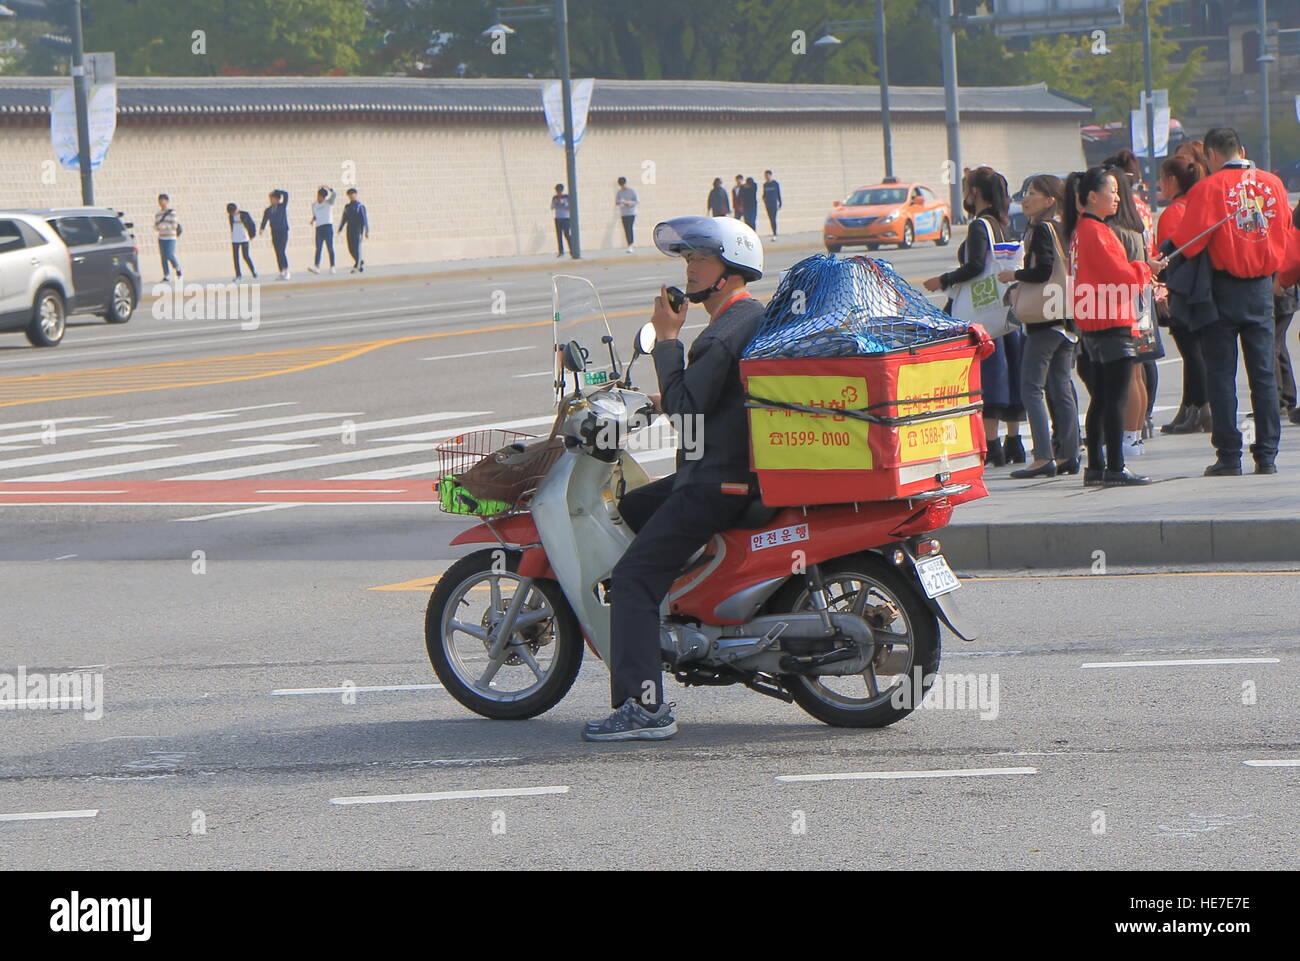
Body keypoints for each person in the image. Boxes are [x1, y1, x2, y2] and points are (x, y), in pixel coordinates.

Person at [583, 215, 767, 742]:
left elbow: (689, 413)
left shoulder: (721, 334)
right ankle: (675, 622)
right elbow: (709, 403)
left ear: (729, 271)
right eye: (686, 260)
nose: (688, 270)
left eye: (698, 260)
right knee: (634, 509)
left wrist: (667, 339)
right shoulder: (745, 319)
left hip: (716, 480)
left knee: (633, 579)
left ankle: (644, 709)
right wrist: (661, 399)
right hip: (730, 468)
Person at [1170, 127, 1289, 476]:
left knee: (1222, 374)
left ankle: (1229, 454)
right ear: (1241, 148)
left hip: (1222, 290)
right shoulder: (1273, 184)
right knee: (1264, 375)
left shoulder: (1209, 188)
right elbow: (1282, 231)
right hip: (1261, 289)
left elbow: (1190, 242)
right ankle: (1267, 454)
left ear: (1209, 155)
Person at [1065, 167, 1165, 486]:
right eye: (1112, 191)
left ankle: (1096, 466)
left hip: (1092, 321)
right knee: (1114, 398)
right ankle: (1115, 466)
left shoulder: (1082, 230)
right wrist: (1144, 268)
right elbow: (1119, 275)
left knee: (1102, 398)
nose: (1117, 197)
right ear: (1093, 196)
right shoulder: (1097, 231)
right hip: (1111, 320)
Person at [922, 166, 1027, 466]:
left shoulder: (980, 226)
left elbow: (976, 267)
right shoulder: (1004, 224)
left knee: (992, 376)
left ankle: (991, 445)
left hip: (984, 315)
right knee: (1011, 374)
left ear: (976, 193)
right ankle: (1014, 441)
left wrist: (942, 280)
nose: (965, 193)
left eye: (967, 187)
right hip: (1004, 311)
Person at [998, 174, 1079, 477]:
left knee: (1031, 387)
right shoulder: (1064, 229)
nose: (1025, 199)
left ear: (1050, 200)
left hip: (1045, 319)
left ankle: (1043, 456)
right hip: (1067, 316)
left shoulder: (1043, 230)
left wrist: (1015, 276)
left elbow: (1044, 270)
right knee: (1060, 386)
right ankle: (1068, 454)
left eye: (1032, 193)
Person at [1155, 155, 1211, 434]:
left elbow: (1169, 257)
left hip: (1182, 290)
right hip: (1201, 289)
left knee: (1192, 352)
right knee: (1197, 351)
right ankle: (1194, 407)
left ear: (1173, 180)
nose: (1158, 184)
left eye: (1162, 178)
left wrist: (1162, 289)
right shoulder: (1197, 205)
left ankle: (1198, 407)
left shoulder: (1173, 212)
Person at [1105, 166, 1156, 459]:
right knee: (1137, 373)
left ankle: (1128, 435)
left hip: (1125, 303)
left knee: (1129, 374)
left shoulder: (1114, 231)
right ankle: (1135, 435)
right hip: (1142, 300)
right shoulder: (1136, 226)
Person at [260, 189, 291, 280]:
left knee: (281, 251)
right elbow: (265, 219)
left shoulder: (282, 206)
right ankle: (281, 271)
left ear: (277, 199)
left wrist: (276, 191)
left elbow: (286, 194)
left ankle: (286, 270)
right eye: (270, 198)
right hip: (274, 232)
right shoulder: (268, 210)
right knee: (277, 252)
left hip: (283, 231)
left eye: (272, 198)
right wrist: (262, 228)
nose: (271, 200)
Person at [338, 188, 369, 273]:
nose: (351, 195)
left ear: (356, 194)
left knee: (357, 248)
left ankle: (357, 266)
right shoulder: (347, 207)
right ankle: (359, 262)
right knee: (351, 248)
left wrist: (366, 230)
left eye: (353, 194)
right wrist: (340, 228)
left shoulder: (360, 206)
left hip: (358, 229)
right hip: (350, 229)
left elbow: (364, 218)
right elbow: (344, 218)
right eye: (350, 194)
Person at [308, 186, 337, 274]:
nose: (319, 198)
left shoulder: (328, 202)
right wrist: (313, 220)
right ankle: (316, 266)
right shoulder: (314, 205)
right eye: (319, 196)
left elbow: (335, 194)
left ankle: (332, 266)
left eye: (321, 196)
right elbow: (316, 215)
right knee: (318, 247)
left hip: (327, 226)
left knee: (330, 247)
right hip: (319, 227)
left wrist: (328, 188)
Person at [154, 194, 182, 282]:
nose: (161, 202)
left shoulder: (172, 213)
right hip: (162, 237)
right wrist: (157, 228)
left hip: (170, 237)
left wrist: (165, 227)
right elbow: (155, 225)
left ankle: (177, 268)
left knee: (169, 254)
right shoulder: (158, 214)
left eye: (163, 200)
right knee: (163, 257)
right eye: (160, 200)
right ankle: (166, 274)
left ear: (167, 201)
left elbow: (174, 225)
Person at [226, 202, 257, 282]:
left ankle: (253, 271)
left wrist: (252, 235)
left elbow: (251, 224)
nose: (232, 214)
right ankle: (238, 275)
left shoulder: (244, 214)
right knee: (236, 257)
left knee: (246, 256)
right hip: (235, 239)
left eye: (233, 212)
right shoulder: (230, 216)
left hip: (244, 238)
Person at [615, 176, 638, 253]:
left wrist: (628, 202)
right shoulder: (619, 192)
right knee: (626, 229)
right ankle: (629, 244)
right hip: (623, 213)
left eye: (623, 184)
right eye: (621, 185)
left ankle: (630, 245)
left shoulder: (631, 191)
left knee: (629, 228)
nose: (622, 186)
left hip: (631, 213)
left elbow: (636, 201)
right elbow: (616, 201)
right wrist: (620, 202)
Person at [551, 183, 572, 258]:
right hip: (558, 218)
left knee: (567, 234)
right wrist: (556, 202)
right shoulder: (555, 198)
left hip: (565, 218)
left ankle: (572, 249)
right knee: (559, 235)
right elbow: (552, 207)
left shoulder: (566, 197)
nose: (558, 192)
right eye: (557, 191)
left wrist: (563, 203)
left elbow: (569, 207)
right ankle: (561, 251)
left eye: (559, 190)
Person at [762, 170, 782, 240]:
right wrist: (764, 199)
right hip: (768, 204)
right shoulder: (765, 185)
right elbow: (764, 194)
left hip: (774, 204)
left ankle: (775, 233)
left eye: (767, 175)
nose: (766, 177)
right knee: (770, 219)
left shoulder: (775, 184)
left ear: (770, 175)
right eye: (765, 176)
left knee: (773, 219)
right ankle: (774, 232)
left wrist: (780, 203)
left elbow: (778, 193)